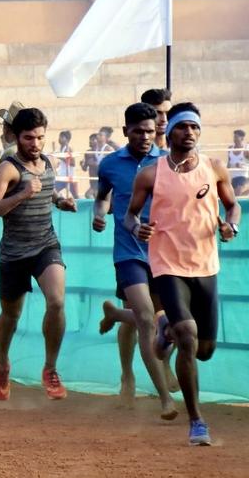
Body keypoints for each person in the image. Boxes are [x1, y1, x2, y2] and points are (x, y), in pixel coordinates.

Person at [125, 102, 240, 446]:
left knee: (205, 350)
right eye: (182, 127)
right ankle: (197, 421)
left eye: (194, 127)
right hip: (167, 264)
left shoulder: (214, 168)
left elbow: (233, 205)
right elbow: (130, 216)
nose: (189, 133)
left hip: (205, 265)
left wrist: (231, 225)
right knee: (188, 336)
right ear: (169, 131)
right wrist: (137, 229)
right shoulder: (150, 174)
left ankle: (165, 330)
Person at [0, 108, 77, 401]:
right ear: (17, 138)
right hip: (14, 253)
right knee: (12, 314)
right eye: (29, 138)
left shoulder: (48, 162)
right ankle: (3, 361)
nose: (35, 143)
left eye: (40, 137)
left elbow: (48, 190)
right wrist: (21, 194)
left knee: (57, 301)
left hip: (45, 245)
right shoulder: (8, 169)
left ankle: (50, 368)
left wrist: (60, 201)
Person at [92, 102, 177, 419]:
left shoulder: (170, 163)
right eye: (138, 131)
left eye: (151, 131)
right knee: (145, 318)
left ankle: (115, 313)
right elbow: (102, 198)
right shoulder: (111, 164)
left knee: (169, 319)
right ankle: (165, 398)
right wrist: (99, 216)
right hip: (129, 252)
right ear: (125, 130)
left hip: (166, 252)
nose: (145, 137)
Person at [54, 130, 79, 198]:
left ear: (67, 139)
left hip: (70, 176)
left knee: (76, 196)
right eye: (59, 137)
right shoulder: (61, 149)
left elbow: (73, 163)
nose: (59, 139)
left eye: (61, 137)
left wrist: (60, 157)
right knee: (53, 191)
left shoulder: (68, 148)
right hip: (62, 176)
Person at [227, 129, 247, 195]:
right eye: (234, 137)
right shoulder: (230, 148)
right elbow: (229, 162)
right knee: (231, 195)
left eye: (236, 137)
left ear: (242, 138)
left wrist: (242, 166)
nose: (234, 139)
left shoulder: (245, 149)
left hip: (243, 176)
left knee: (237, 195)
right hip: (233, 177)